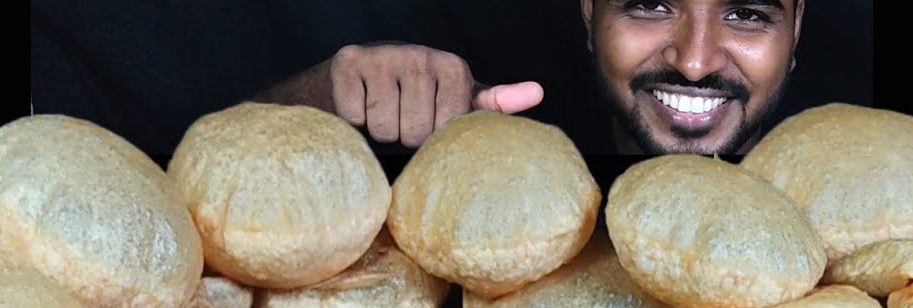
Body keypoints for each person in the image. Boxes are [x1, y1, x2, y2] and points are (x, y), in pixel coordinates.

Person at [256, 0, 805, 155]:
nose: (694, 60)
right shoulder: (489, 172)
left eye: (746, 15)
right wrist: (322, 99)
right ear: (590, 15)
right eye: (651, 6)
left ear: (797, 26)